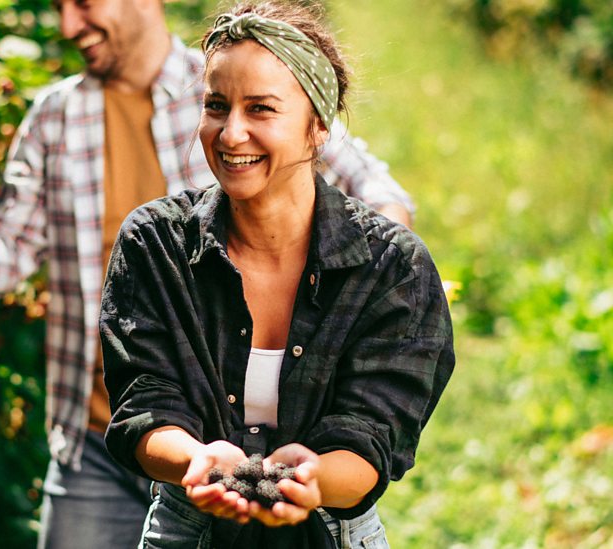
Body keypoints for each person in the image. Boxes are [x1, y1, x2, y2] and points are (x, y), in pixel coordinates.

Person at [0, 1, 417, 547]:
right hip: (102, 432)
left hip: (253, 456)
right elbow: (10, 253)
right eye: (216, 108)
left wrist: (363, 284)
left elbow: (378, 195)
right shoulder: (57, 117)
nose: (68, 25)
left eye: (83, 3)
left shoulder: (243, 68)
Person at [98, 2, 455, 547]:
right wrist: (197, 461)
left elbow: (373, 434)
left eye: (260, 109)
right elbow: (145, 403)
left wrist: (312, 479)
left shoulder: (393, 267)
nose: (231, 134)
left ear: (318, 127)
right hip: (185, 533)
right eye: (217, 106)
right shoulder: (155, 244)